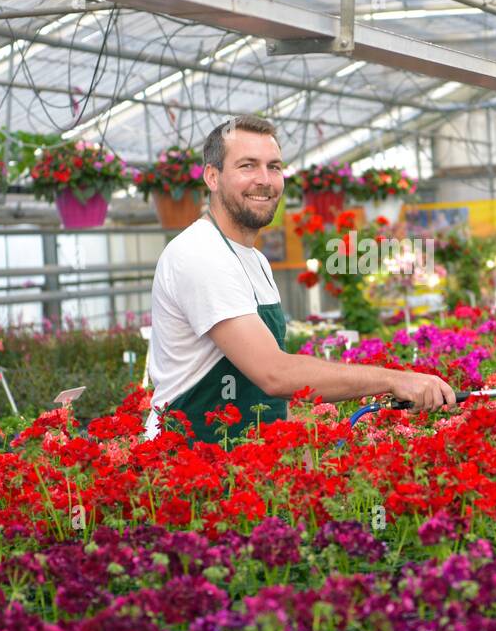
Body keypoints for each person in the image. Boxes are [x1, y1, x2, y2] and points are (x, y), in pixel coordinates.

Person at [144, 115, 457, 443]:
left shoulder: (255, 260)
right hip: (188, 466)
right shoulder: (200, 253)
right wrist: (394, 380)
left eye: (274, 167)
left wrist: (305, 452)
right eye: (247, 166)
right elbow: (274, 373)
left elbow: (265, 394)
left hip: (246, 460)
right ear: (212, 176)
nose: (264, 180)